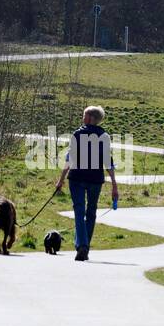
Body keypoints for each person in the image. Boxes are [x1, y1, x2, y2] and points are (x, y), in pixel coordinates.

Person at [54, 105, 119, 261]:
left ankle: (82, 245)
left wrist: (61, 180)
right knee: (91, 212)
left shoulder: (77, 134)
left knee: (79, 211)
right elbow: (107, 161)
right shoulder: (104, 136)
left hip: (76, 178)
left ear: (90, 118)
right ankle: (84, 247)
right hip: (95, 179)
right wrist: (114, 185)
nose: (82, 118)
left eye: (84, 115)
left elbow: (69, 159)